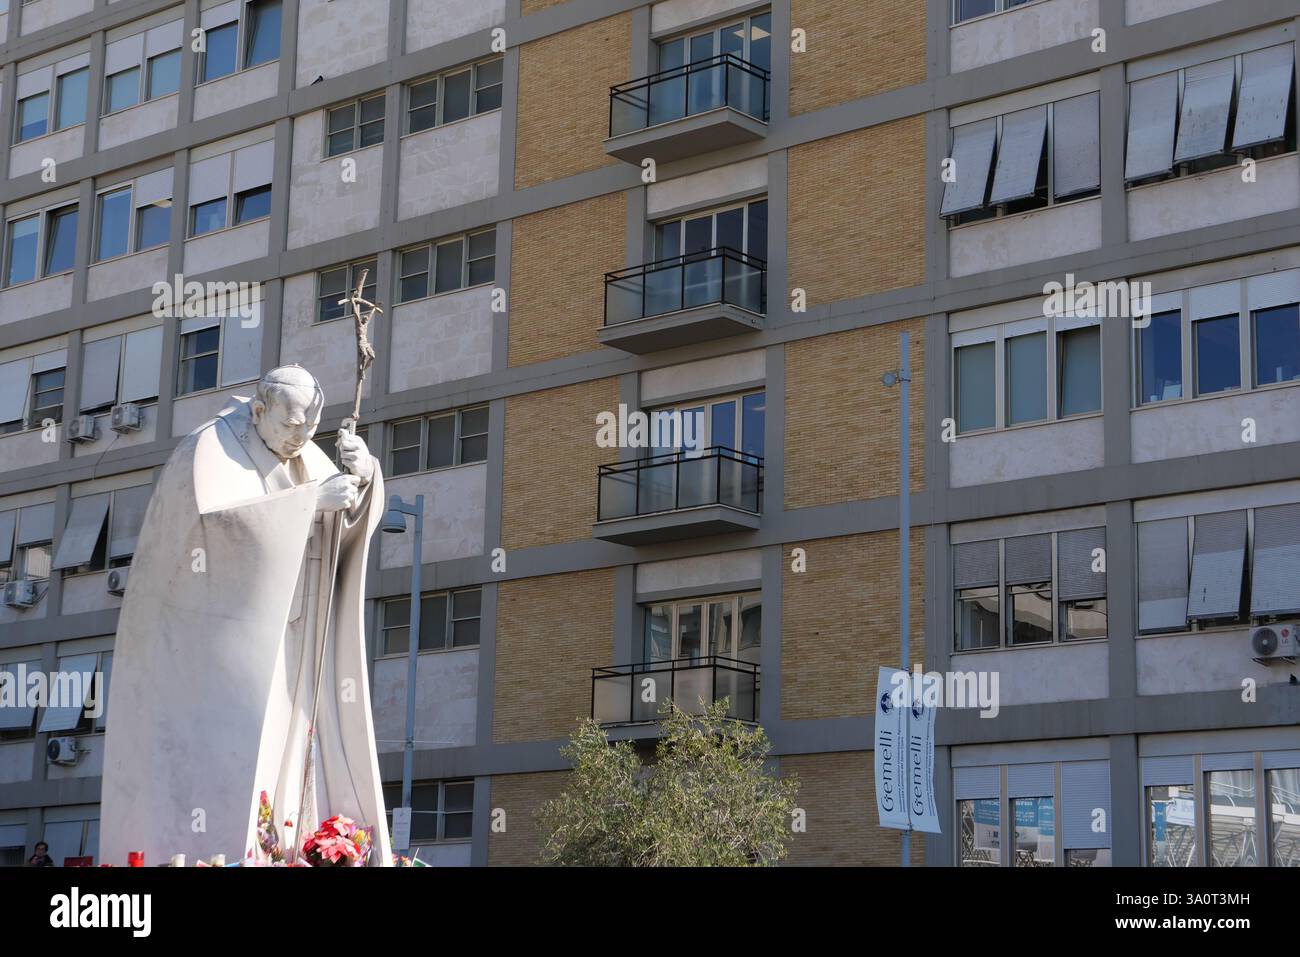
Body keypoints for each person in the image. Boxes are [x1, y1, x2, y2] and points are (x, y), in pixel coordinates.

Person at [100, 365, 392, 866]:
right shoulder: (208, 448)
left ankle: (295, 844)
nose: (300, 436)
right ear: (259, 411)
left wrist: (363, 480)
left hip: (299, 636)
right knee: (244, 763)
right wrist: (307, 504)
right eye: (291, 423)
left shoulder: (309, 456)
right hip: (228, 650)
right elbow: (209, 531)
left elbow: (344, 535)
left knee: (299, 754)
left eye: (310, 425)